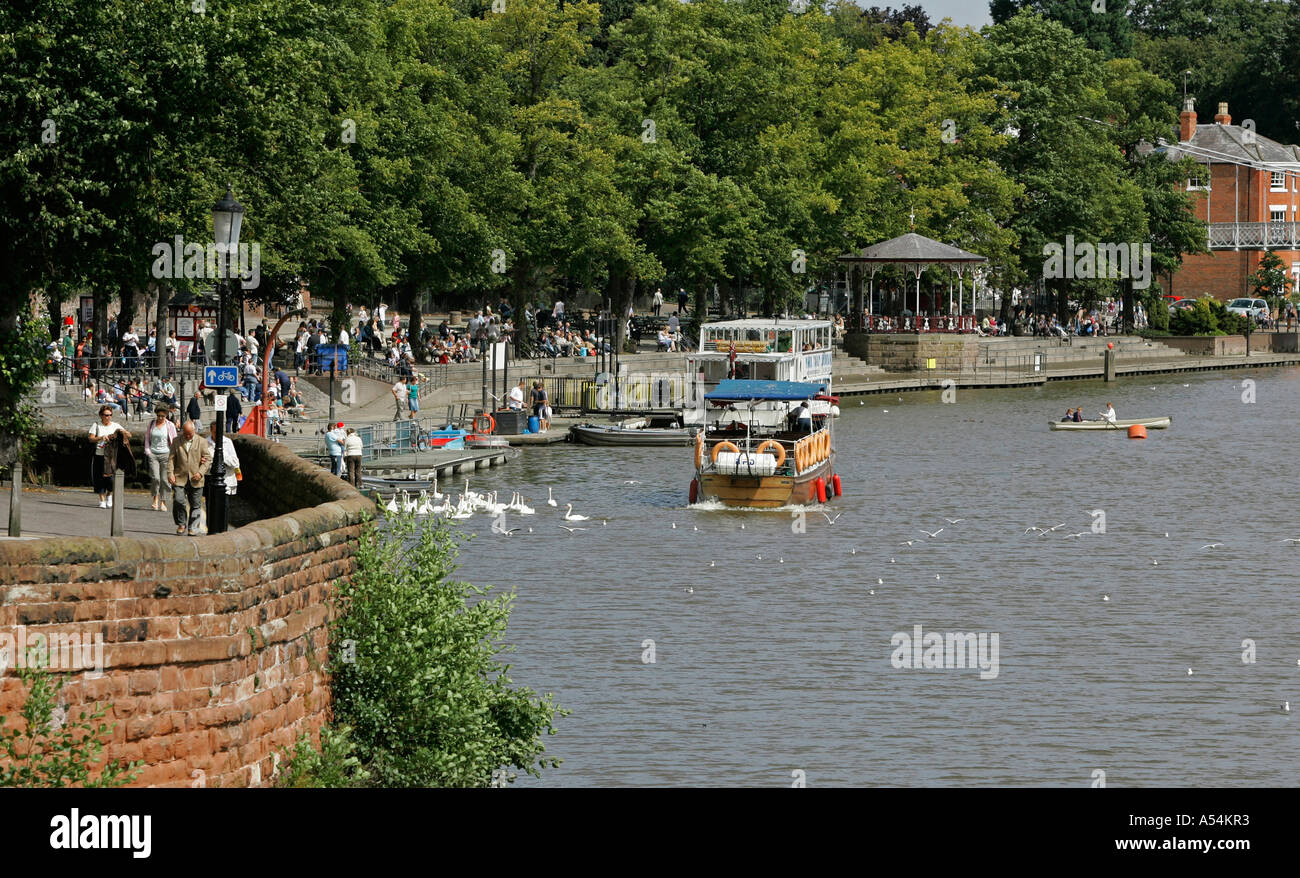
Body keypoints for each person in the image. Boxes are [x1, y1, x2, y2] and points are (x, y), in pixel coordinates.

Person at [167, 420, 212, 536]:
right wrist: (170, 473)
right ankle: (181, 523)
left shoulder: (202, 442)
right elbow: (171, 459)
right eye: (185, 433)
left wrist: (201, 472)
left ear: (194, 431)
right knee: (178, 500)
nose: (187, 436)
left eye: (190, 433)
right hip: (179, 477)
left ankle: (193, 527)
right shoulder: (176, 441)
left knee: (196, 504)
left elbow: (207, 459)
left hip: (196, 478)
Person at [88, 406, 131, 509]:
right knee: (99, 478)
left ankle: (109, 495)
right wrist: (101, 437)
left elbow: (129, 435)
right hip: (100, 455)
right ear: (101, 415)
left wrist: (124, 433)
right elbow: (91, 438)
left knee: (111, 479)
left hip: (112, 456)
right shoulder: (96, 425)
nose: (108, 417)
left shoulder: (115, 426)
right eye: (106, 415)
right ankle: (102, 500)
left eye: (110, 415)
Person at [144, 407, 177, 510]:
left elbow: (174, 440)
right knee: (155, 478)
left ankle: (163, 501)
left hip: (166, 454)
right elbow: (147, 439)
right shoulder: (151, 424)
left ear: (166, 415)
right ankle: (155, 498)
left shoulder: (170, 425)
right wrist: (148, 452)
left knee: (164, 479)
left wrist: (173, 454)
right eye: (158, 415)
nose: (160, 418)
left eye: (162, 416)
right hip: (153, 454)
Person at [207, 422, 240, 497]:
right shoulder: (206, 442)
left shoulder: (227, 442)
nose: (218, 435)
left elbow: (235, 463)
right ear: (211, 431)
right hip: (211, 481)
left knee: (224, 506)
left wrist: (222, 454)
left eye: (220, 432)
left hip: (226, 482)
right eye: (215, 432)